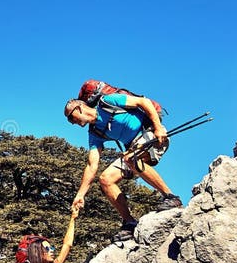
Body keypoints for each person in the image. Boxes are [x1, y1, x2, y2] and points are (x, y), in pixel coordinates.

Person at [64, 92, 182, 242]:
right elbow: (92, 165)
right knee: (106, 179)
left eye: (70, 117)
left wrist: (158, 127)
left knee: (130, 158)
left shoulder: (107, 102)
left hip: (152, 133)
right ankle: (129, 223)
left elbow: (143, 102)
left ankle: (171, 197)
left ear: (79, 108)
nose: (72, 123)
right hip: (133, 149)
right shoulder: (95, 133)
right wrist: (80, 195)